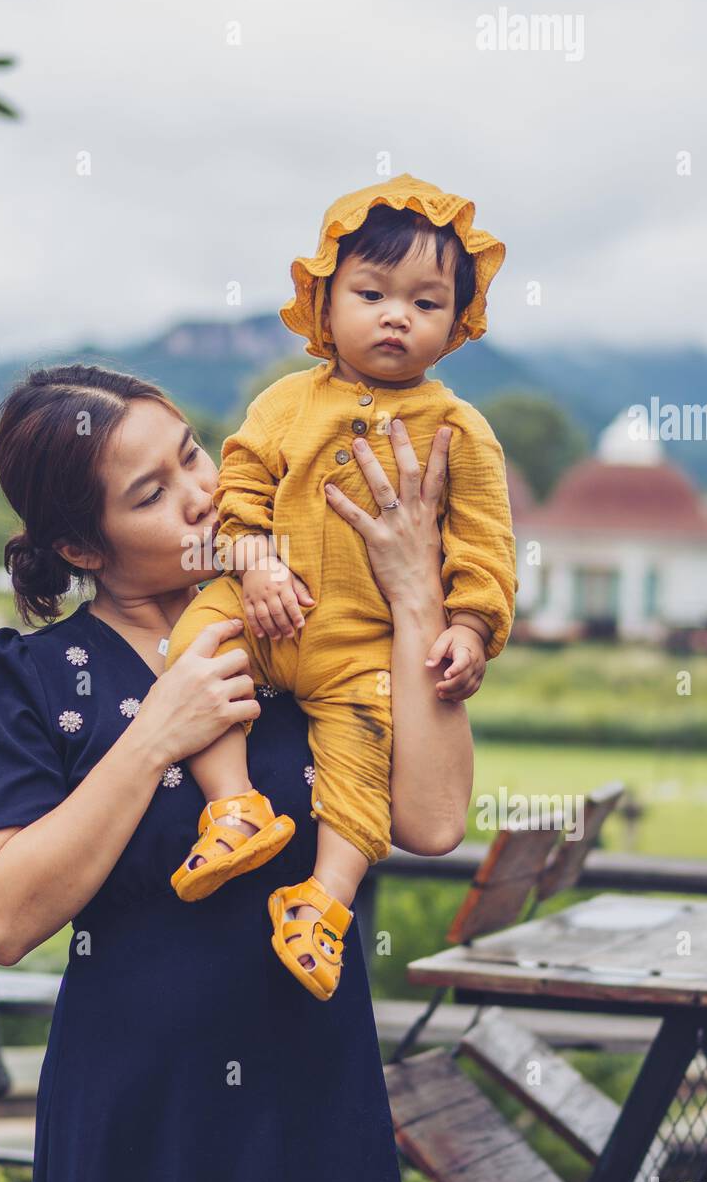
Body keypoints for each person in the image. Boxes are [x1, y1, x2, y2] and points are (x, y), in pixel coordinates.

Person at [0, 360, 474, 1182]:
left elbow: (435, 819)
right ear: (83, 548)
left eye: (193, 456)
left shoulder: (299, 633)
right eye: (150, 494)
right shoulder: (28, 678)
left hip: (315, 1100)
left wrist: (416, 597)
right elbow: (3, 919)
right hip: (138, 1120)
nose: (199, 495)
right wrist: (158, 732)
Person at [162, 174, 518, 1001]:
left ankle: (321, 901)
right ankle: (234, 807)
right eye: (371, 293)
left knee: (360, 762)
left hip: (362, 649)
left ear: (457, 324)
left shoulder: (459, 429)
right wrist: (251, 565)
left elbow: (486, 546)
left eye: (426, 303)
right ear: (324, 304)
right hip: (262, 612)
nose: (396, 315)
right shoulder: (284, 403)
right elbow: (238, 492)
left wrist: (467, 627)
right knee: (196, 647)